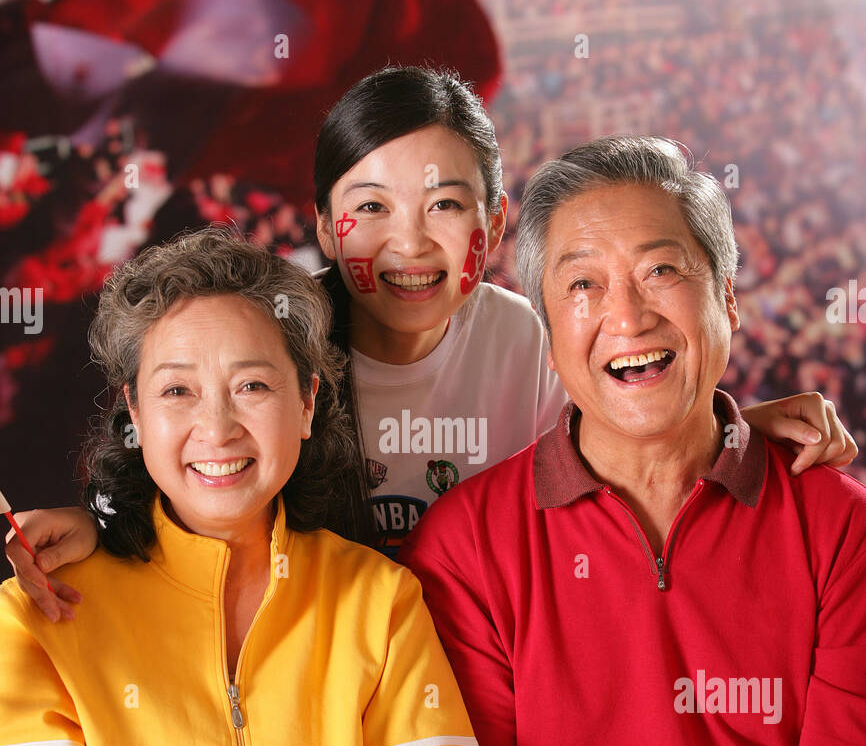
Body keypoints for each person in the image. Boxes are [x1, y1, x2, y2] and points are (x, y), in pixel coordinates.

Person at [4, 67, 857, 604]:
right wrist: (104, 530)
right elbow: (190, 458)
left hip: (493, 675)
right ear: (327, 229)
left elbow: (629, 424)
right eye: (370, 208)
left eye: (444, 206)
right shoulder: (272, 337)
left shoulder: (529, 340)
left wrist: (734, 418)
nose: (408, 245)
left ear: (492, 222)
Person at [400, 136, 866, 746]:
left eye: (663, 272)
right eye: (583, 286)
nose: (626, 316)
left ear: (727, 302)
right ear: (545, 326)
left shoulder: (836, 522)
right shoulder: (468, 540)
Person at [0, 228, 515, 746]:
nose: (216, 426)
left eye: (253, 385)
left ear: (310, 402)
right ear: (133, 412)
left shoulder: (376, 600)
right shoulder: (44, 606)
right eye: (176, 390)